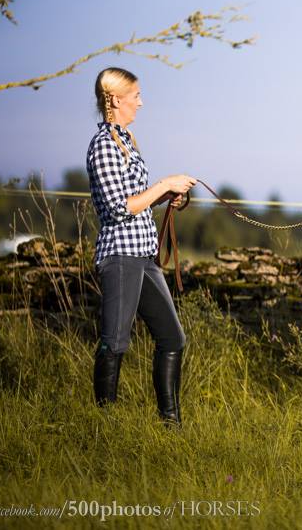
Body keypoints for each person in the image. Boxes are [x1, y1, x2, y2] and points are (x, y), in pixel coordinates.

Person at [87, 67, 196, 426]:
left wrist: (169, 197)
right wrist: (164, 183)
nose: (140, 102)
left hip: (144, 255)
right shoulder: (103, 145)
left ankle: (171, 425)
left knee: (173, 338)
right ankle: (105, 425)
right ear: (116, 100)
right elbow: (120, 206)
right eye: (136, 96)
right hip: (120, 256)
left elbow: (138, 200)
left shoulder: (128, 140)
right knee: (115, 342)